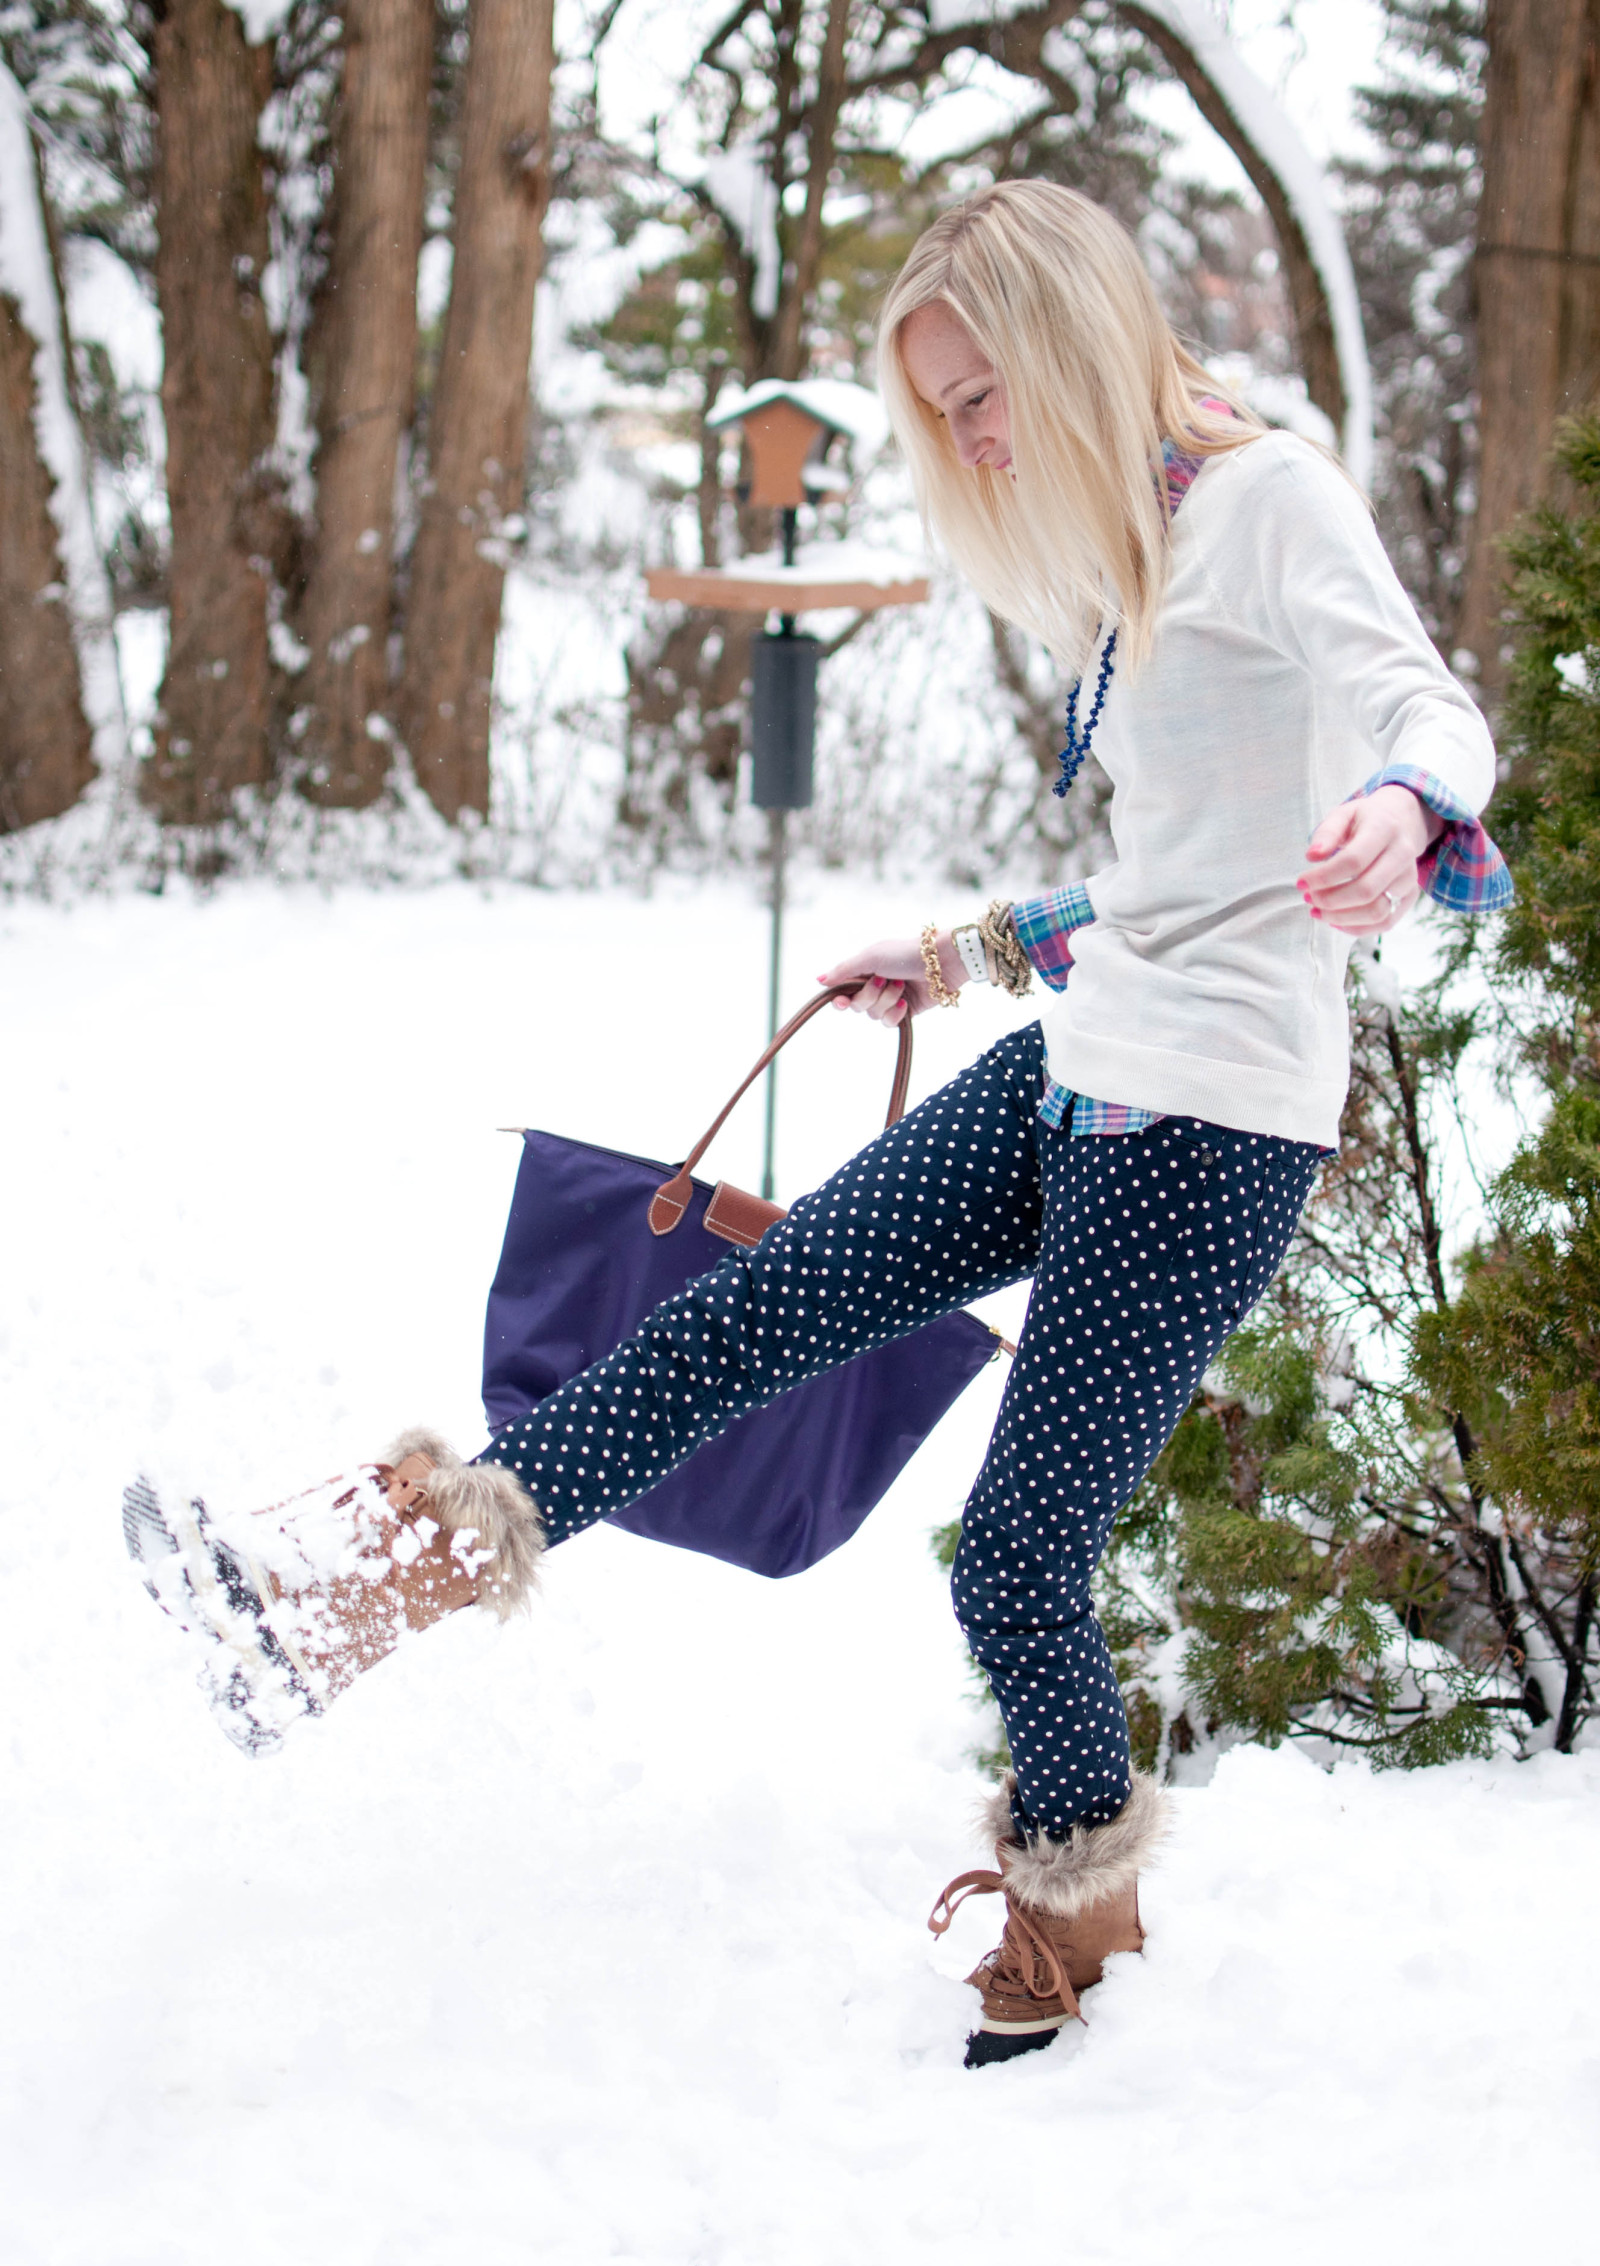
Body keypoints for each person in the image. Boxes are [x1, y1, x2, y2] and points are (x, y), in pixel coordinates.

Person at [123, 182, 1511, 2069]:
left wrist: (1408, 809)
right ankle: (361, 1589)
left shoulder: (1271, 503)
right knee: (745, 1313)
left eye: (983, 393)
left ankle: (1078, 1939)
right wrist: (961, 954)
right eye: (944, 412)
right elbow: (1176, 873)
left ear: (1079, 336)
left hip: (1214, 1122)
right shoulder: (1139, 542)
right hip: (1085, 1063)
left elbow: (1429, 704)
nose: (972, 437)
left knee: (1021, 1550)